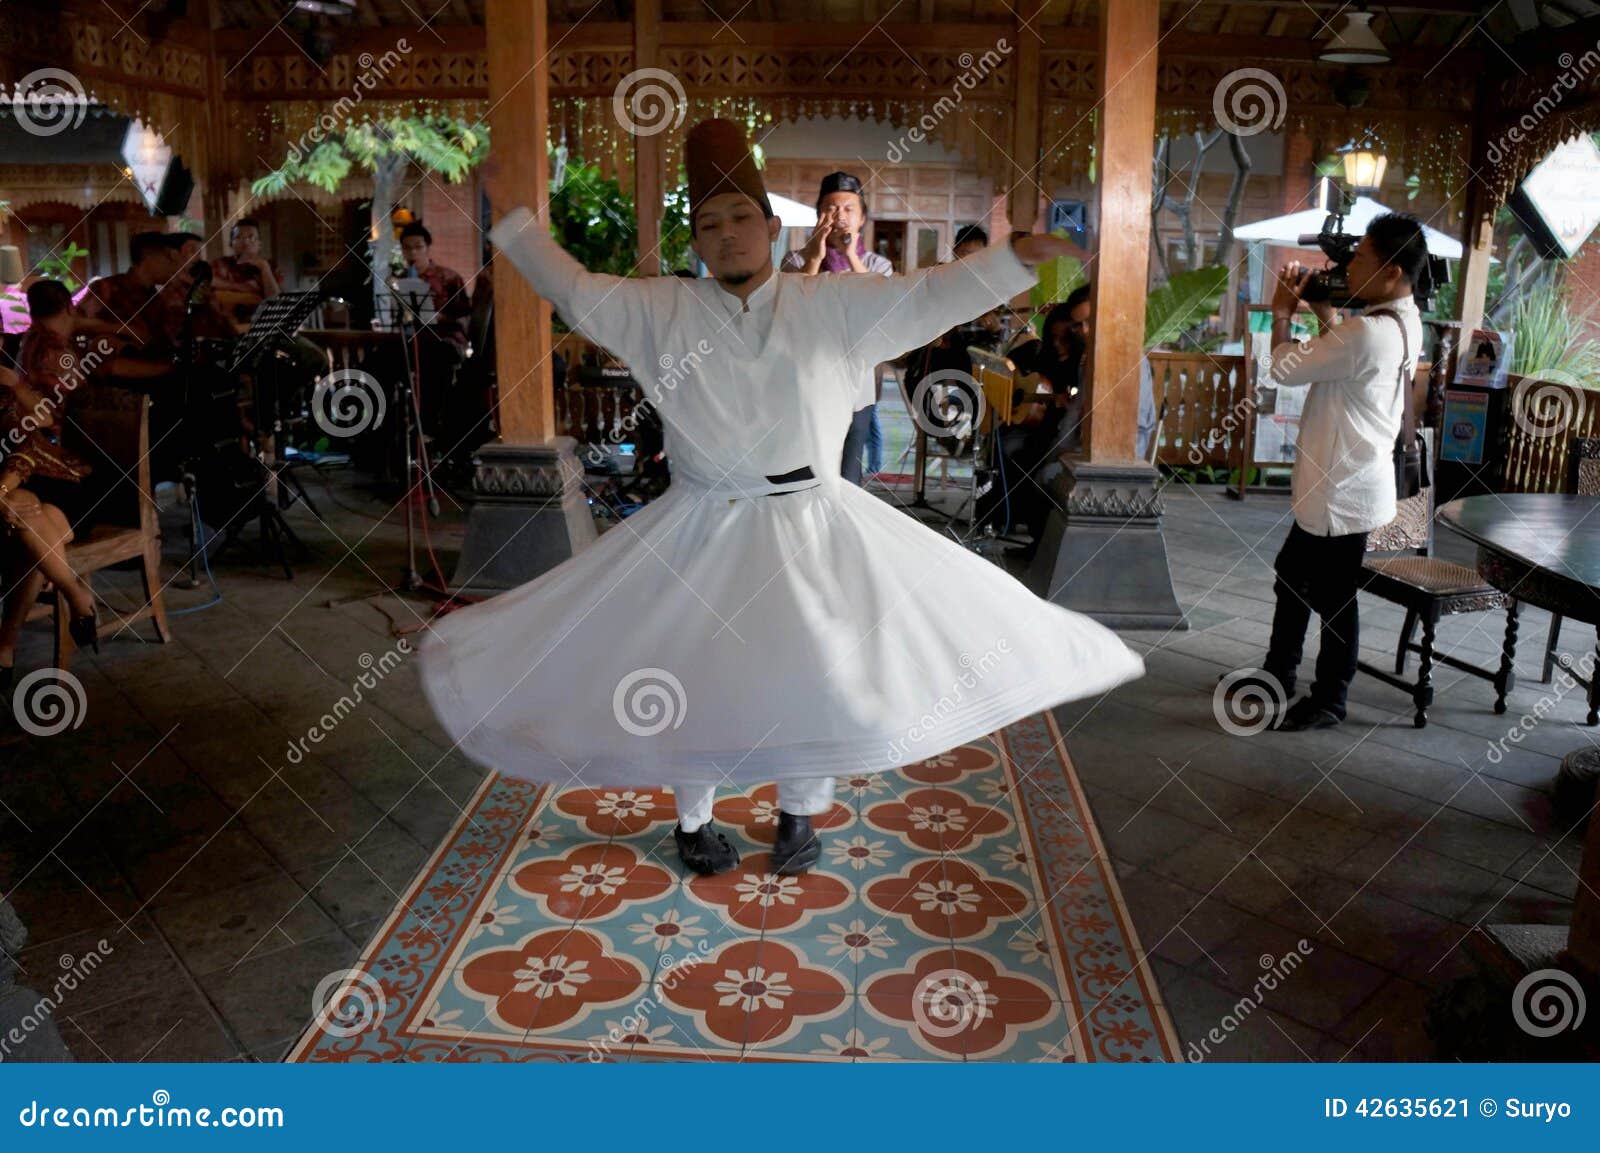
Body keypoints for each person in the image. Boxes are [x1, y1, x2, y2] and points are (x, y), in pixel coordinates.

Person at [417, 118, 1144, 880]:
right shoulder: (658, 309)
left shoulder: (832, 305)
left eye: (740, 219)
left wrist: (1014, 260)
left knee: (816, 670)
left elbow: (932, 296)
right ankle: (693, 822)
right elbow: (567, 286)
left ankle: (798, 813)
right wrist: (511, 217)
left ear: (770, 226)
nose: (727, 235)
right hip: (700, 523)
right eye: (708, 224)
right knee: (688, 673)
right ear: (695, 241)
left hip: (815, 521)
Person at [1248, 212, 1427, 732]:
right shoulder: (1402, 320)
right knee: (1293, 579)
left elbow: (1283, 368)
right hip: (1348, 483)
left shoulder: (1367, 332)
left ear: (1392, 273)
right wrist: (1326, 315)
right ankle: (1277, 674)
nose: (1349, 267)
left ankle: (1329, 698)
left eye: (1362, 259)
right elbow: (1349, 368)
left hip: (1338, 490)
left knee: (1332, 599)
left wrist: (1282, 314)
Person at [781, 171, 893, 485]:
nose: (839, 216)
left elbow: (875, 305)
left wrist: (848, 255)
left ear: (862, 220)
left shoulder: (877, 266)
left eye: (848, 209)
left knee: (850, 459)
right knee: (805, 459)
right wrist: (815, 258)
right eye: (830, 209)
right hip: (807, 373)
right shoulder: (794, 261)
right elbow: (791, 308)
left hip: (858, 377)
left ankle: (842, 527)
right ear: (819, 217)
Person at [0, 351, 98, 693]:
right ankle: (77, 596)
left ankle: (5, 649)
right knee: (34, 528)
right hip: (19, 500)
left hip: (53, 481)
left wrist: (14, 383)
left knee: (25, 519)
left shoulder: (6, 389)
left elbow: (28, 441)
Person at [211, 218, 282, 326]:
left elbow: (275, 302)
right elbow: (211, 285)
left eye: (251, 237)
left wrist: (264, 269)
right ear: (231, 244)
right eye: (238, 237)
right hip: (231, 329)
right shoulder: (219, 264)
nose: (245, 242)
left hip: (265, 327)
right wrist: (244, 288)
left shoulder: (271, 267)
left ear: (259, 244)